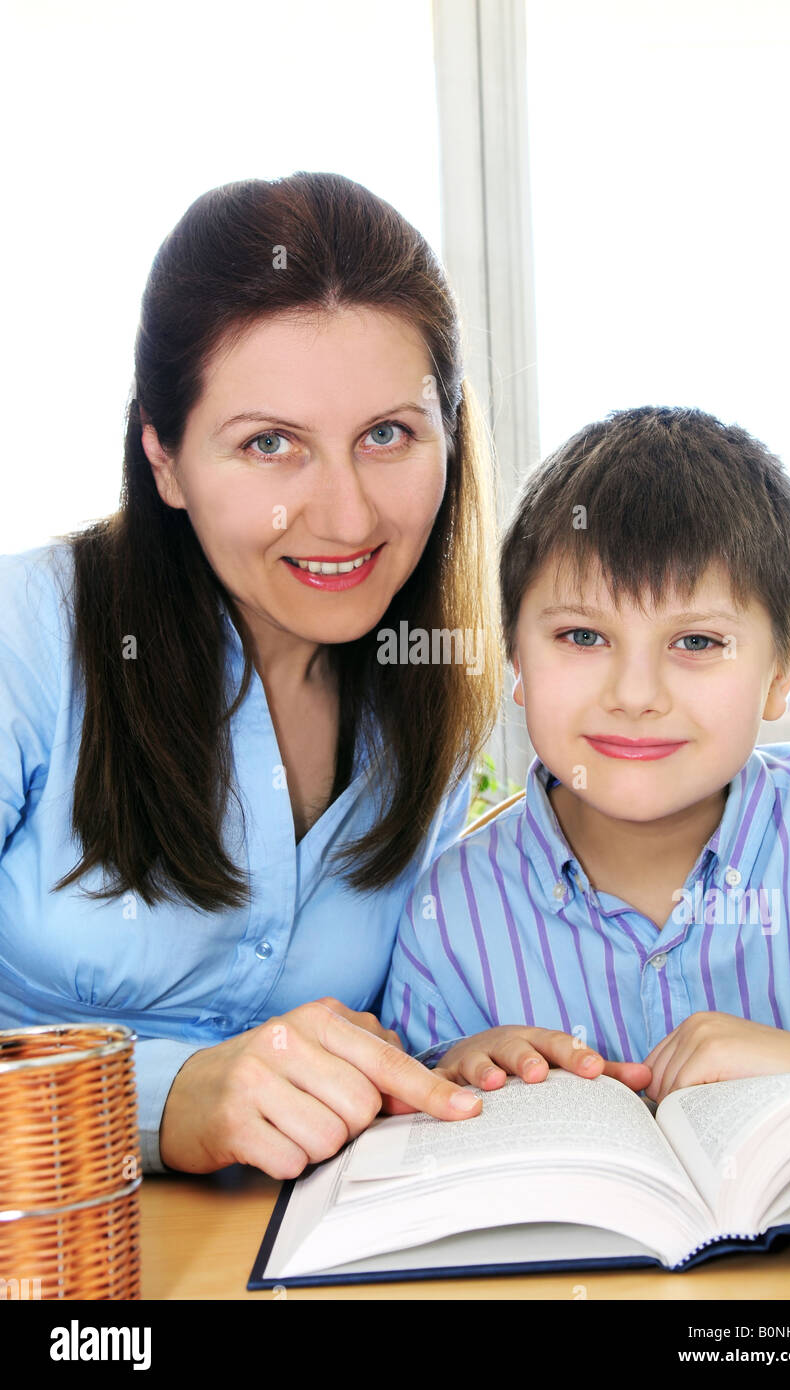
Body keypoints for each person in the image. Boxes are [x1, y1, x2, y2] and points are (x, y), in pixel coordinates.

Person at [0, 170, 596, 1181]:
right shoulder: (30, 638)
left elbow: (359, 1026)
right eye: (269, 444)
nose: (345, 517)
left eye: (387, 436)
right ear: (164, 454)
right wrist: (166, 1097)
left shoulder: (432, 693)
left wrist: (443, 1060)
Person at [384, 405, 790, 1098]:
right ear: (515, 657)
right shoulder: (449, 916)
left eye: (695, 642)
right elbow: (394, 1150)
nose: (635, 696)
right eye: (582, 637)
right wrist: (450, 1078)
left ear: (781, 672)